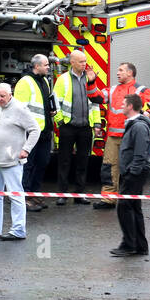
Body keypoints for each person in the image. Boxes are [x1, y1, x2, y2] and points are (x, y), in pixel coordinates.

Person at [94, 61, 150, 210]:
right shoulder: (112, 90)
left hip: (130, 137)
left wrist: (147, 114)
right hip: (113, 136)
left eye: (121, 70)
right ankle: (108, 200)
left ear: (130, 73)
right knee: (109, 167)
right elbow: (96, 97)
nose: (117, 73)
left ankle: (129, 199)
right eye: (118, 70)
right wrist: (91, 82)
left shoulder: (141, 90)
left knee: (130, 169)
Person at [0, 83, 40, 242]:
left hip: (12, 160)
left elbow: (35, 129)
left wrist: (26, 149)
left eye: (2, 96)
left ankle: (18, 230)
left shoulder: (20, 109)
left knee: (15, 195)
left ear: (10, 95)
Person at [53, 50, 103, 205]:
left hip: (85, 128)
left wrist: (96, 124)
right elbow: (55, 103)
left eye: (85, 61)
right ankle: (62, 194)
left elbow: (95, 103)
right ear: (72, 63)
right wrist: (60, 122)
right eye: (81, 62)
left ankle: (80, 193)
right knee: (64, 161)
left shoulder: (90, 79)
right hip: (68, 126)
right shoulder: (62, 80)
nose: (84, 64)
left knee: (83, 161)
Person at [111, 93, 150, 257]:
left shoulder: (139, 127)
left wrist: (131, 173)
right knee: (134, 207)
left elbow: (140, 153)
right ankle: (140, 246)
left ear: (130, 106)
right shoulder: (134, 124)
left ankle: (129, 244)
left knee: (125, 207)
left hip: (135, 173)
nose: (121, 106)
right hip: (133, 172)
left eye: (123, 104)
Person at [14, 55, 55, 212]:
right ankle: (24, 196)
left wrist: (51, 110)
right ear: (36, 66)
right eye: (45, 65)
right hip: (30, 133)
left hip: (43, 132)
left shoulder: (43, 81)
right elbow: (19, 110)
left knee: (42, 163)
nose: (48, 67)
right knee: (27, 165)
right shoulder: (25, 82)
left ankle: (34, 193)